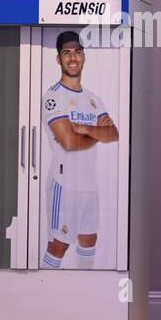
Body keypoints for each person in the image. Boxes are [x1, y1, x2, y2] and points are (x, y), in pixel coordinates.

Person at [42, 31, 119, 270]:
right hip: (64, 185)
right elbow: (68, 142)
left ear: (84, 56)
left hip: (89, 185)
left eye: (77, 52)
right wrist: (97, 133)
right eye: (66, 53)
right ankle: (43, 295)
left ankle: (83, 296)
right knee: (59, 244)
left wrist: (84, 128)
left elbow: (114, 134)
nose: (72, 57)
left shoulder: (93, 100)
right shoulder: (53, 97)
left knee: (89, 241)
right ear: (58, 59)